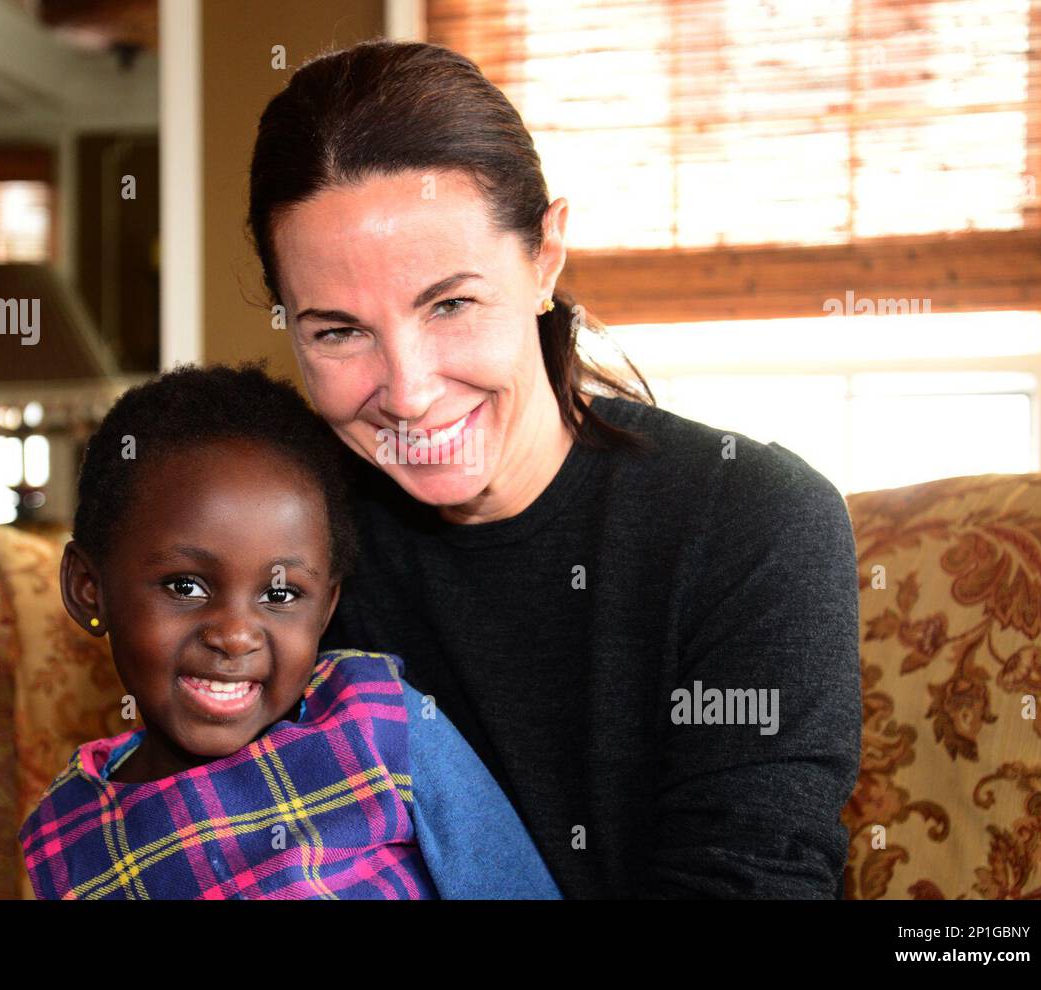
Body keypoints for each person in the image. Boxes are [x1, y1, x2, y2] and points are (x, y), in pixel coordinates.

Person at [246, 40, 863, 898]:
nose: (411, 393)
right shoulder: (283, 543)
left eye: (450, 303)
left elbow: (751, 880)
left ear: (544, 257)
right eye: (338, 332)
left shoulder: (752, 521)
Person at [18, 364, 561, 899]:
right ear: (89, 589)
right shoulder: (68, 832)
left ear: (325, 609)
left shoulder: (379, 721)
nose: (235, 635)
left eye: (279, 595)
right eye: (186, 587)